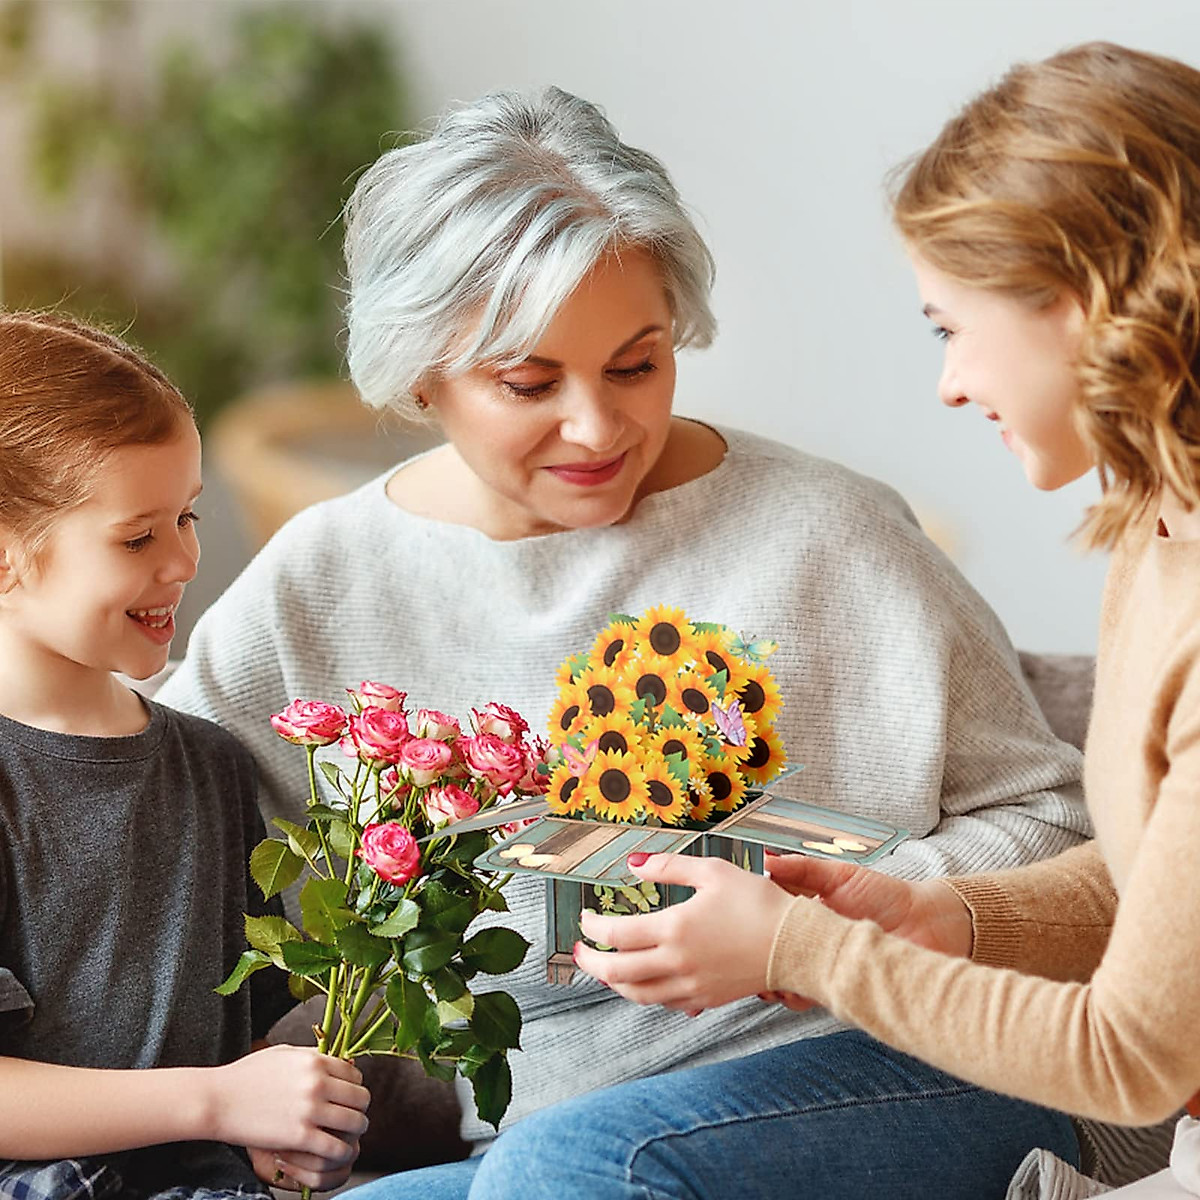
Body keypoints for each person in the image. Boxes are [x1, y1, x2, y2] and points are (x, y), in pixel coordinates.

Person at [161, 88, 1109, 1199]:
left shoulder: (831, 531)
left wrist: (815, 917)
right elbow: (142, 823)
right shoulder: (318, 587)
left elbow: (1059, 824)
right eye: (528, 383)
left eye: (636, 364)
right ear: (421, 376)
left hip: (905, 1061)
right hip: (543, 1144)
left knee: (561, 1172)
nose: (599, 427)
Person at [575, 40, 1200, 1200]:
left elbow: (1130, 1054)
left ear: (1077, 304)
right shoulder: (1157, 527)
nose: (950, 383)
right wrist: (938, 913)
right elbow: (1158, 888)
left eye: (948, 326)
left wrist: (803, 951)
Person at [0, 312, 370, 1197]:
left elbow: (238, 1034)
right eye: (138, 537)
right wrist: (216, 1104)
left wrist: (280, 1121)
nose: (184, 561)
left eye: (188, 515)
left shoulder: (211, 764)